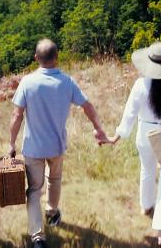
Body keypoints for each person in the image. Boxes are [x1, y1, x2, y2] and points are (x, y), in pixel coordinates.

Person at [8, 39, 113, 248]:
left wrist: (11, 143)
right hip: (56, 146)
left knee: (34, 190)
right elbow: (88, 106)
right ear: (56, 57)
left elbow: (16, 115)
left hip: (33, 147)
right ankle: (52, 212)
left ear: (36, 58)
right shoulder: (67, 82)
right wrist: (98, 128)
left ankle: (38, 237)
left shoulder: (27, 82)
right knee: (54, 180)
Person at [109, 41, 161, 247]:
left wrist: (117, 136)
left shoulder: (140, 85)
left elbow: (129, 115)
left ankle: (146, 206)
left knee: (147, 170)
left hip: (145, 134)